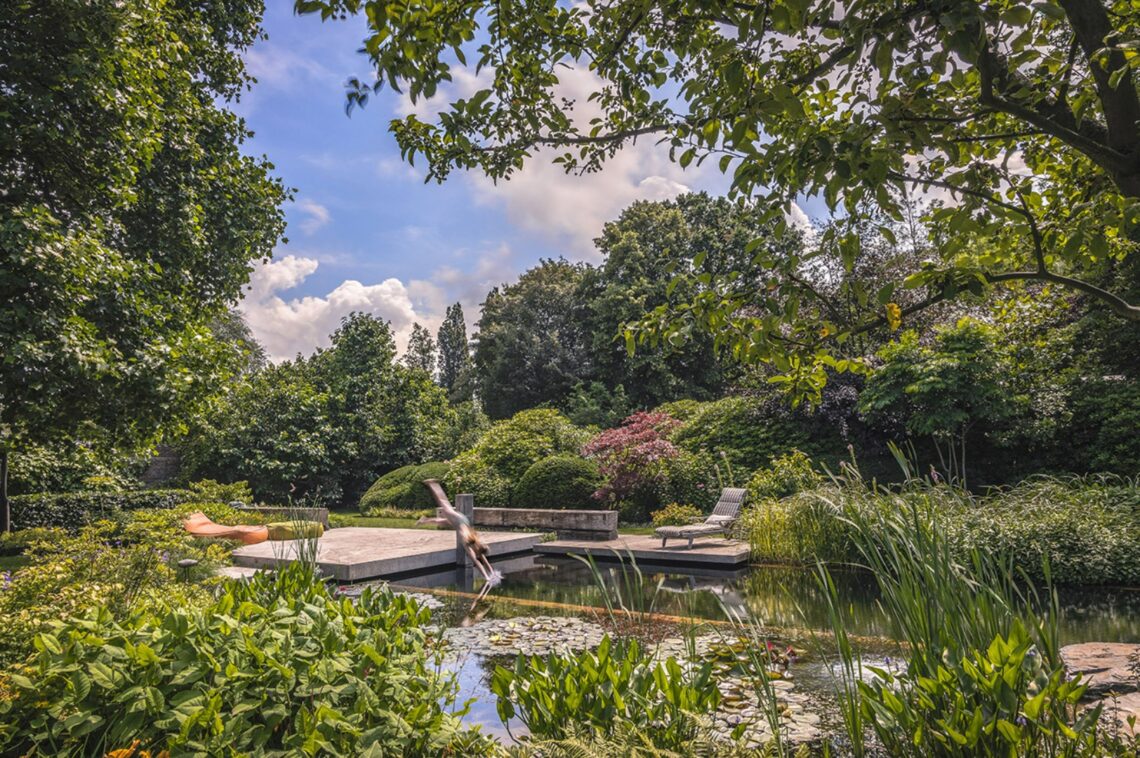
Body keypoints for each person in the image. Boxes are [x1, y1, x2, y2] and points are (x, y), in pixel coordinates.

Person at [422, 479, 500, 589]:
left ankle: (424, 520)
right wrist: (486, 577)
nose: (477, 554)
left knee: (441, 521)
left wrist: (492, 574)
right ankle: (433, 484)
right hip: (457, 521)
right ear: (478, 550)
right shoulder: (468, 540)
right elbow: (476, 561)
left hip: (462, 520)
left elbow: (482, 561)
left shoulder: (477, 543)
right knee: (443, 502)